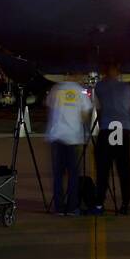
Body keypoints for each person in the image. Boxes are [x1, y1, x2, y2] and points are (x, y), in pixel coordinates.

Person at [46, 76, 92, 215]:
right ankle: (72, 207)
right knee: (73, 175)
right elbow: (85, 114)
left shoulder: (56, 89)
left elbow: (49, 106)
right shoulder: (80, 91)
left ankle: (59, 207)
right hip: (72, 137)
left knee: (58, 175)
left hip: (57, 136)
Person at [93, 65, 130, 215]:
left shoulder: (100, 86)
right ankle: (125, 203)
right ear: (118, 72)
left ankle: (99, 203)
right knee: (123, 167)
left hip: (108, 127)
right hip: (122, 128)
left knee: (103, 168)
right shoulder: (126, 87)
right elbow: (129, 106)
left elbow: (98, 106)